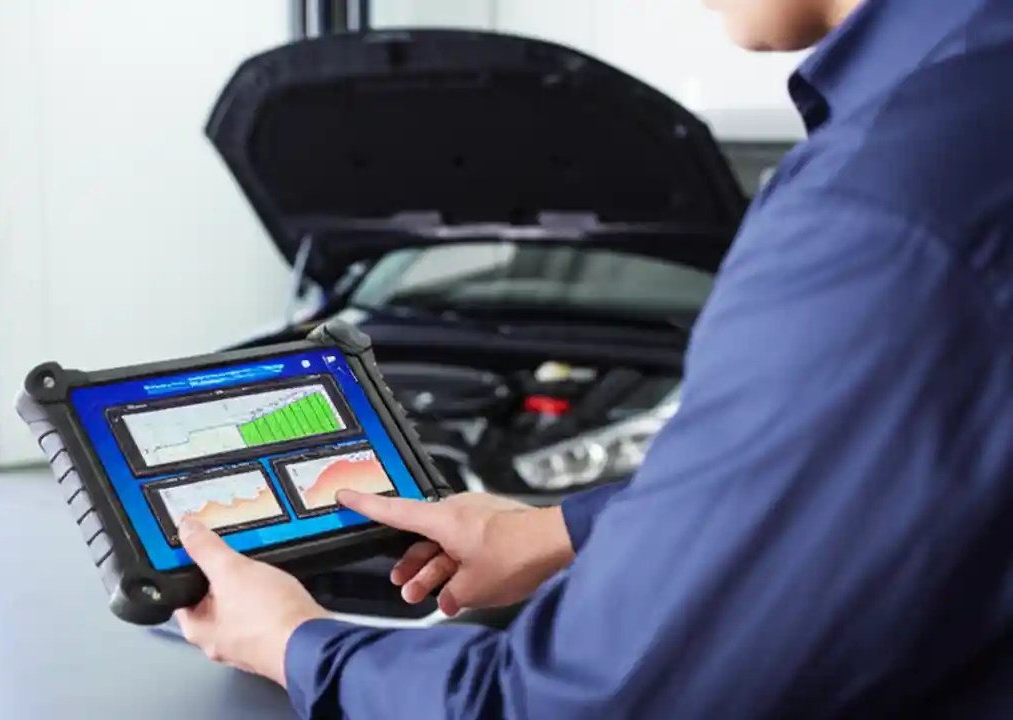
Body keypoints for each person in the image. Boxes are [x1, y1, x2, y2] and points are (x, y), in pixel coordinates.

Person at [174, 0, 1013, 716]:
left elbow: (589, 702)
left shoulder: (878, 210)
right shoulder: (969, 103)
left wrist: (294, 644)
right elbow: (884, 483)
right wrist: (560, 527)